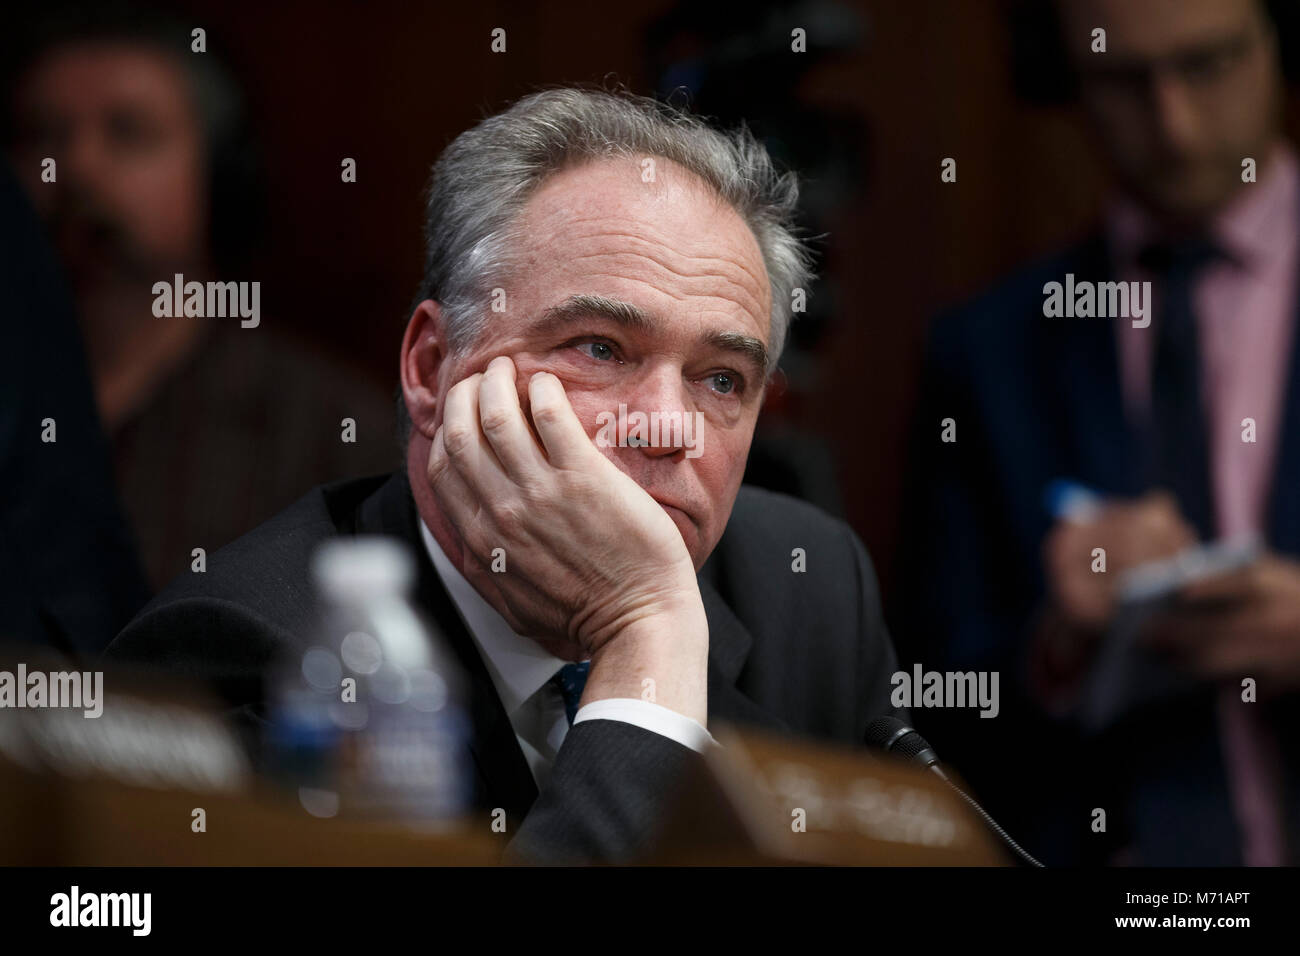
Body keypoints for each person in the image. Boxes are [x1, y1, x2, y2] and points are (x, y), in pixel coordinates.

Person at [106, 88, 907, 863]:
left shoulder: (811, 589)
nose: (668, 427)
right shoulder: (248, 656)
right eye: (599, 348)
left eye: (722, 379)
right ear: (431, 367)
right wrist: (646, 640)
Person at [901, 0, 1300, 864]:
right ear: (1061, 75)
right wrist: (1058, 645)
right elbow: (921, 697)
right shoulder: (988, 350)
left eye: (1209, 64)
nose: (1176, 125)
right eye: (1124, 79)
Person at [4, 8, 396, 593]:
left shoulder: (328, 430)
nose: (77, 168)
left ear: (220, 172)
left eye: (128, 132)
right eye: (44, 135)